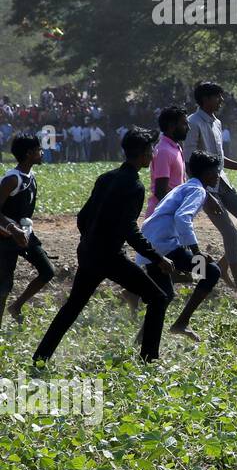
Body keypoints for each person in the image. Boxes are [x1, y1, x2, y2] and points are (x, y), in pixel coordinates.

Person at [33, 128, 181, 365]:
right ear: (144, 153)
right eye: (151, 150)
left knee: (73, 306)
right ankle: (149, 359)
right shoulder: (135, 186)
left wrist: (91, 241)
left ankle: (41, 356)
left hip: (89, 252)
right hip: (110, 256)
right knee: (158, 298)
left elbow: (82, 217)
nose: (153, 154)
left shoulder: (106, 178)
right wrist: (158, 258)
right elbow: (129, 230)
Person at [184, 82, 237, 295]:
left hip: (223, 181)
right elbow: (189, 162)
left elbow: (218, 158)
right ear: (205, 99)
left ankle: (223, 265)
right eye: (217, 97)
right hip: (206, 187)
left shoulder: (216, 123)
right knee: (229, 233)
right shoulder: (192, 123)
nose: (221, 100)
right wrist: (204, 194)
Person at [138, 150, 224, 342]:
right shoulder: (198, 190)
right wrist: (197, 253)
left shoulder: (186, 186)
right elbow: (182, 218)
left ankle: (141, 340)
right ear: (207, 174)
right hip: (164, 246)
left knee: (164, 295)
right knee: (211, 271)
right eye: (215, 172)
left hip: (151, 244)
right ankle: (181, 323)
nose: (218, 175)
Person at [0, 134, 56, 328]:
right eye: (39, 150)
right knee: (3, 286)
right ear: (30, 153)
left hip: (24, 236)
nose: (42, 153)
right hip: (6, 239)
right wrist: (12, 229)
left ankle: (16, 307)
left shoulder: (30, 177)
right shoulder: (12, 179)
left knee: (48, 271)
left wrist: (23, 231)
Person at [148, 106, 189, 217]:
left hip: (172, 213)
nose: (188, 128)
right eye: (184, 124)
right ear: (171, 126)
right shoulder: (164, 151)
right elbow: (161, 191)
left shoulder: (176, 147)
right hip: (162, 217)